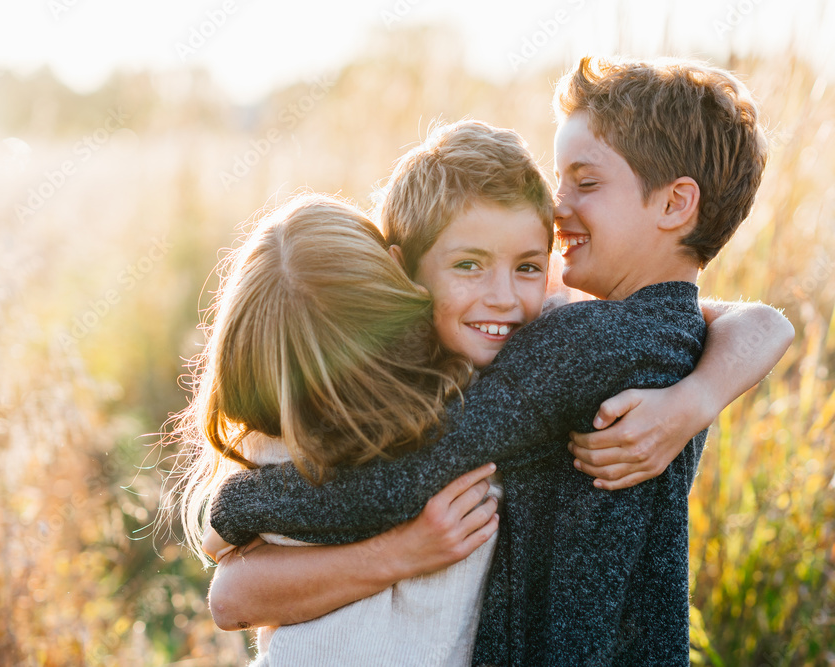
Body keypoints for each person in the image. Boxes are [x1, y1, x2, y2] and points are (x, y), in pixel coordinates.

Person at [206, 58, 794, 666]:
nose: (559, 206)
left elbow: (411, 475)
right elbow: (754, 319)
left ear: (675, 204)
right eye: (560, 180)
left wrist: (238, 505)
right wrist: (699, 394)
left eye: (585, 182)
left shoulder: (579, 344)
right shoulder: (676, 337)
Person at [172, 193, 502, 665]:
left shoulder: (475, 393)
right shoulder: (280, 435)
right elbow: (230, 595)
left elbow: (226, 571)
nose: (334, 426)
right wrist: (399, 553)